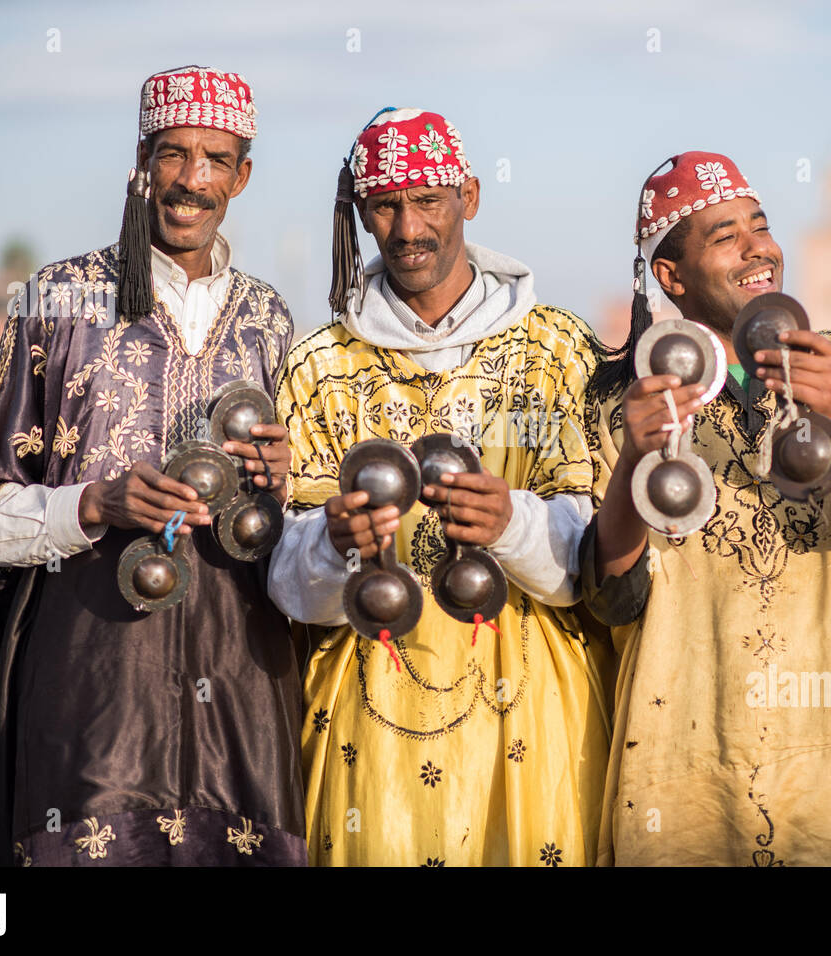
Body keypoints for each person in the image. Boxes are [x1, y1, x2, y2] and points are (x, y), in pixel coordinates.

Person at [0, 66, 305, 866]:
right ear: (140, 161)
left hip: (243, 678)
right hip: (91, 682)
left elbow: (303, 528)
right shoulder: (56, 299)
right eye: (173, 155)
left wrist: (292, 477)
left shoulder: (272, 320)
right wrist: (94, 504)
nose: (191, 180)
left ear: (242, 176)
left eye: (214, 159)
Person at [581, 152, 831, 866]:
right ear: (671, 276)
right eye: (726, 236)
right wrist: (635, 457)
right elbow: (610, 601)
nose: (760, 247)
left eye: (761, 225)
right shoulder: (620, 404)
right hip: (684, 758)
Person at [268, 108, 612, 866]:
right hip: (370, 727)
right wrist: (329, 545)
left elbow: (598, 562)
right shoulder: (319, 365)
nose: (408, 226)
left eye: (428, 200)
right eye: (386, 205)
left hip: (530, 713)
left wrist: (515, 520)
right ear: (361, 213)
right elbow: (290, 587)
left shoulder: (558, 348)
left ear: (470, 197)